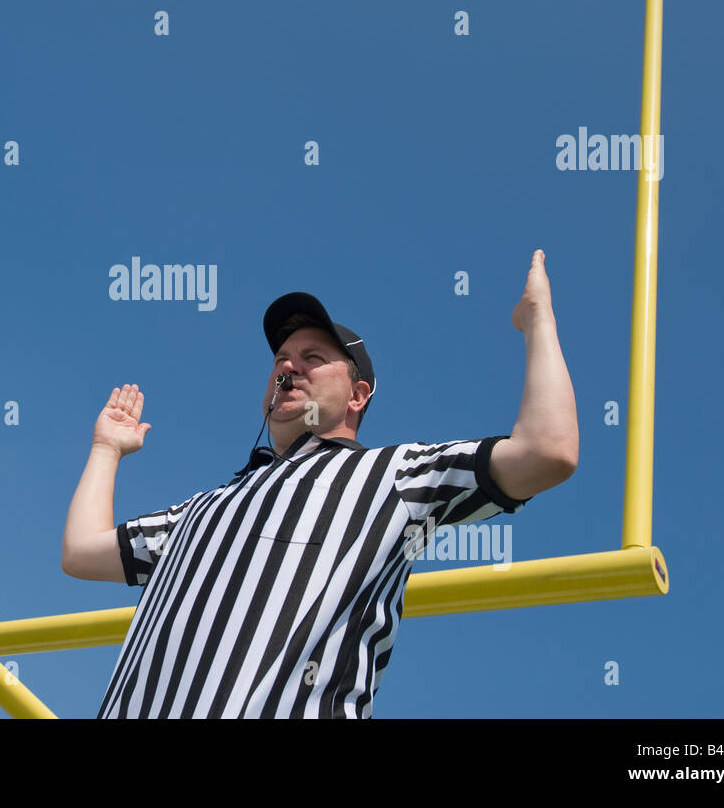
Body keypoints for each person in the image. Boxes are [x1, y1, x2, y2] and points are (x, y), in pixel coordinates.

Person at [62, 249, 579, 718]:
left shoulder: (394, 477)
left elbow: (548, 451)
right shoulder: (200, 511)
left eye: (313, 357)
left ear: (357, 395)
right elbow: (82, 553)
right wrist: (106, 450)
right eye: (281, 358)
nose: (289, 365)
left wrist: (538, 321)